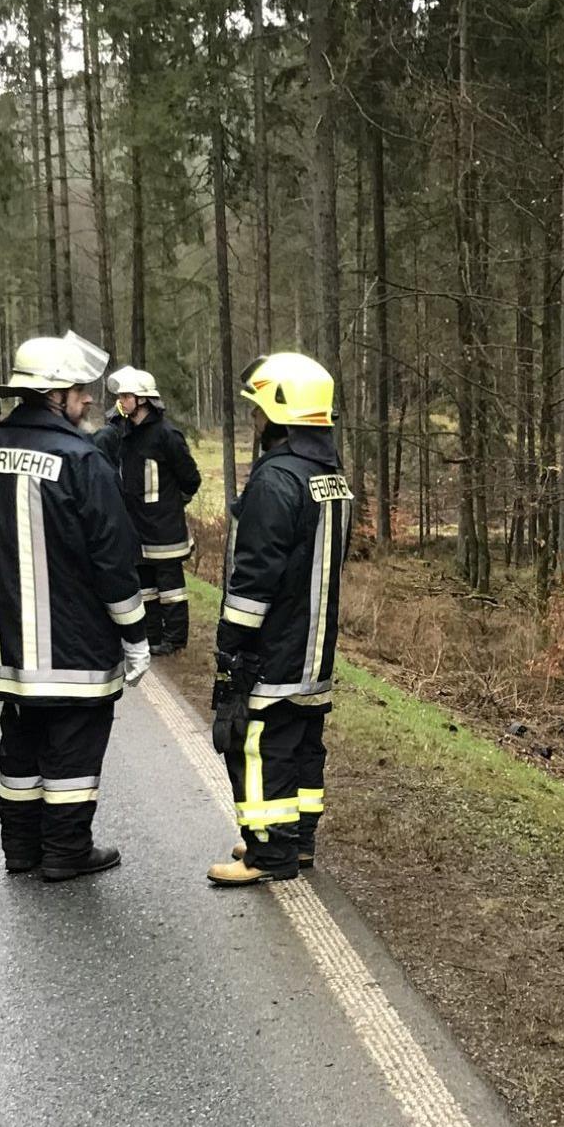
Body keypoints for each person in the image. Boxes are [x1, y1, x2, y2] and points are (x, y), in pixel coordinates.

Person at [0, 334, 150, 882]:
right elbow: (112, 558)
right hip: (75, 644)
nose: (88, 399)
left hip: (14, 642)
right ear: (54, 395)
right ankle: (67, 852)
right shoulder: (80, 458)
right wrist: (135, 635)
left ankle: (21, 849)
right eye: (78, 390)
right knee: (72, 745)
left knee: (20, 743)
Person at [207, 351, 353, 885]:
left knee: (259, 745)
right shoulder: (330, 477)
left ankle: (267, 853)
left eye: (257, 408)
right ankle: (298, 842)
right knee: (303, 744)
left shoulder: (276, 481)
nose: (253, 418)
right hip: (316, 647)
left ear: (277, 411)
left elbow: (254, 578)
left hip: (274, 646)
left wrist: (231, 645)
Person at [97, 367, 202, 657]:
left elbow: (190, 478)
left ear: (142, 399)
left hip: (165, 528)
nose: (121, 401)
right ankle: (152, 637)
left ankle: (175, 640)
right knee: (145, 587)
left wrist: (170, 504)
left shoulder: (167, 435)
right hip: (137, 527)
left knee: (171, 588)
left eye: (126, 396)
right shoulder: (125, 434)